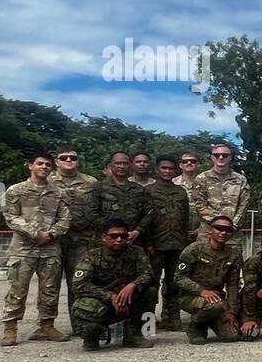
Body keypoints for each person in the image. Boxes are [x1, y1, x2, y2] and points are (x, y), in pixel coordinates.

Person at [0, 152, 71, 347]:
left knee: (50, 289)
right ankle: (10, 328)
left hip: (50, 248)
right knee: (17, 289)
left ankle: (47, 325)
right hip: (23, 249)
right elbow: (10, 216)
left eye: (48, 164)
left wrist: (51, 234)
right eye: (39, 163)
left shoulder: (58, 192)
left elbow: (65, 218)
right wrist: (34, 233)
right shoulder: (16, 191)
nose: (44, 167)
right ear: (30, 166)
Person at [71, 218, 156, 350]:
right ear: (104, 237)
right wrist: (109, 296)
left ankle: (133, 335)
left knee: (150, 291)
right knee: (83, 306)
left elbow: (149, 274)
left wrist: (132, 285)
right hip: (102, 304)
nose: (118, 239)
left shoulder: (136, 252)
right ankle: (91, 337)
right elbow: (79, 285)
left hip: (127, 301)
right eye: (113, 236)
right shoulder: (92, 256)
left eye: (123, 236)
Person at [176, 215, 243, 344]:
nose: (223, 232)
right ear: (209, 230)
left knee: (231, 336)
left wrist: (232, 311)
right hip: (190, 297)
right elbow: (179, 277)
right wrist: (202, 291)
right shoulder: (195, 249)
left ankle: (208, 319)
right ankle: (195, 326)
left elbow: (233, 285)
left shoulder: (234, 254)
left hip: (216, 298)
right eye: (219, 228)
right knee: (215, 305)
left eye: (228, 230)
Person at [145, 155, 192, 331]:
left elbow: (185, 218)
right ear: (157, 169)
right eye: (164, 168)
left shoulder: (180, 192)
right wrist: (148, 242)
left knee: (175, 283)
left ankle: (172, 318)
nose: (167, 171)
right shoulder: (149, 191)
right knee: (151, 284)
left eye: (171, 168)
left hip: (177, 244)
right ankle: (148, 321)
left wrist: (185, 238)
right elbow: (146, 219)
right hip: (156, 244)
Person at [52, 146, 99, 324]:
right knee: (50, 285)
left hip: (81, 241)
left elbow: (97, 209)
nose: (69, 161)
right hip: (53, 240)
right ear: (57, 162)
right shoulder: (47, 181)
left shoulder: (91, 182)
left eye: (73, 158)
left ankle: (80, 323)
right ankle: (46, 325)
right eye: (64, 158)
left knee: (78, 282)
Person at [91, 151, 153, 246]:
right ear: (110, 166)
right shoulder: (98, 187)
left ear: (131, 165)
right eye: (118, 163)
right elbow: (90, 213)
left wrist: (137, 231)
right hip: (106, 241)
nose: (122, 166)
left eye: (125, 163)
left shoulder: (140, 190)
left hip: (133, 240)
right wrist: (112, 230)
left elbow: (149, 213)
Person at [193, 144, 250, 227]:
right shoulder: (201, 178)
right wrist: (218, 224)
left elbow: (244, 205)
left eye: (225, 155)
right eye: (216, 155)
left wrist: (233, 225)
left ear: (230, 157)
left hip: (233, 230)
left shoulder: (241, 180)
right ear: (212, 157)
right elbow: (199, 205)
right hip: (209, 230)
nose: (220, 157)